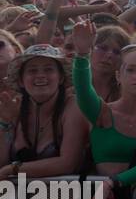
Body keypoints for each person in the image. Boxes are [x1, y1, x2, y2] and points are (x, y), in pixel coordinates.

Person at [69, 22, 136, 192]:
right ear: (118, 75)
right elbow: (83, 91)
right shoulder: (102, 113)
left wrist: (114, 182)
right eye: (131, 70)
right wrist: (82, 54)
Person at [0, 43, 88, 180]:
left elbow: (68, 163)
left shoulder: (73, 106)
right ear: (21, 81)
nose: (40, 75)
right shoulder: (13, 107)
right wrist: (5, 124)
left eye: (48, 69)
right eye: (32, 71)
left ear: (61, 78)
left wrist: (14, 169)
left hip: (65, 198)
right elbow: (1, 164)